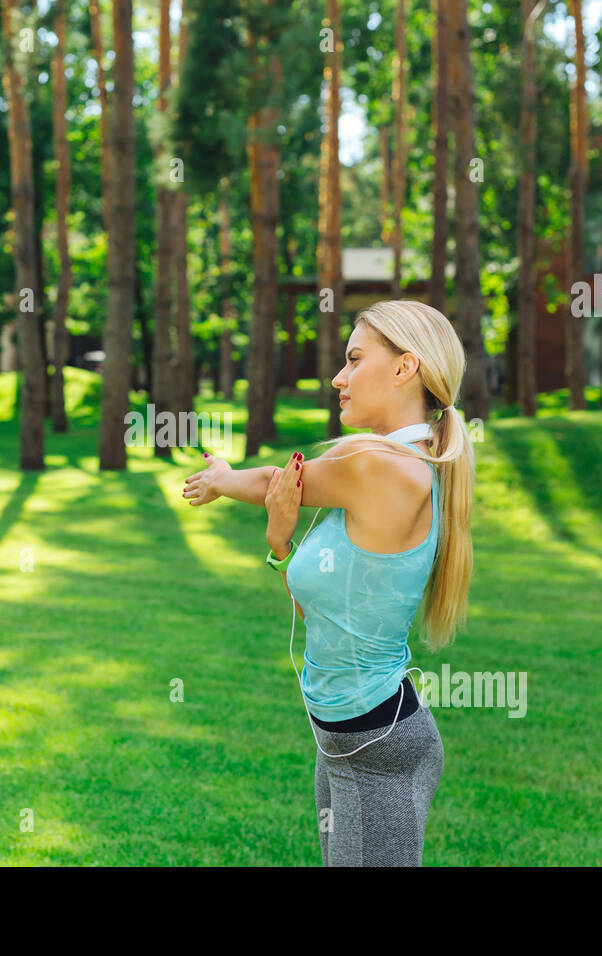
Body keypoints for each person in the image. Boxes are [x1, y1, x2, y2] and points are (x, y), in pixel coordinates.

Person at [181, 300, 474, 866]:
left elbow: (279, 478)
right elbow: (323, 608)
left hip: (376, 746)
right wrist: (279, 544)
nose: (338, 378)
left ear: (404, 368)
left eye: (354, 359)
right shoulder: (392, 463)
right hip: (344, 741)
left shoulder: (380, 464)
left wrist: (222, 478)